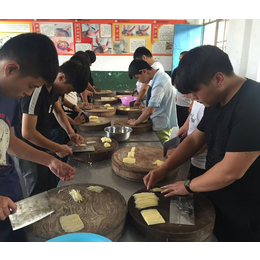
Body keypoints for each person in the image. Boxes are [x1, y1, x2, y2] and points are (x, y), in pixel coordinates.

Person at [143, 45, 260, 242]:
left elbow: (232, 171)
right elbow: (196, 138)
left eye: (195, 93)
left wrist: (188, 185)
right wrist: (164, 169)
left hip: (245, 207)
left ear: (219, 79)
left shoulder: (253, 103)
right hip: (217, 195)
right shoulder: (216, 100)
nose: (194, 100)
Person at [0, 33, 75, 242]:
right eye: (31, 85)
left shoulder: (10, 96)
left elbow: (11, 142)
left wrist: (50, 160)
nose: (30, 92)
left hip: (10, 194)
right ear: (11, 69)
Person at [14, 57, 88, 198]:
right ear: (61, 77)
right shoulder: (36, 90)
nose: (66, 93)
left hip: (42, 142)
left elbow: (58, 111)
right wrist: (57, 147)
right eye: (69, 89)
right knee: (37, 189)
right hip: (28, 149)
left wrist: (71, 133)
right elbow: (28, 132)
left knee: (49, 184)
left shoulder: (53, 88)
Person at [128, 59, 177, 145]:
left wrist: (135, 122)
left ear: (144, 71)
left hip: (162, 124)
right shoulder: (159, 76)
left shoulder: (159, 83)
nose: (139, 81)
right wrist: (146, 108)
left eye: (138, 77)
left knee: (159, 152)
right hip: (161, 120)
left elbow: (151, 110)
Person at [174, 51, 192, 128]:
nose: (180, 61)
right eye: (179, 59)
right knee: (180, 124)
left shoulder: (192, 72)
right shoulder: (178, 71)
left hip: (187, 104)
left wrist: (192, 104)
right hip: (179, 103)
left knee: (187, 126)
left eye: (182, 59)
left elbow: (194, 89)